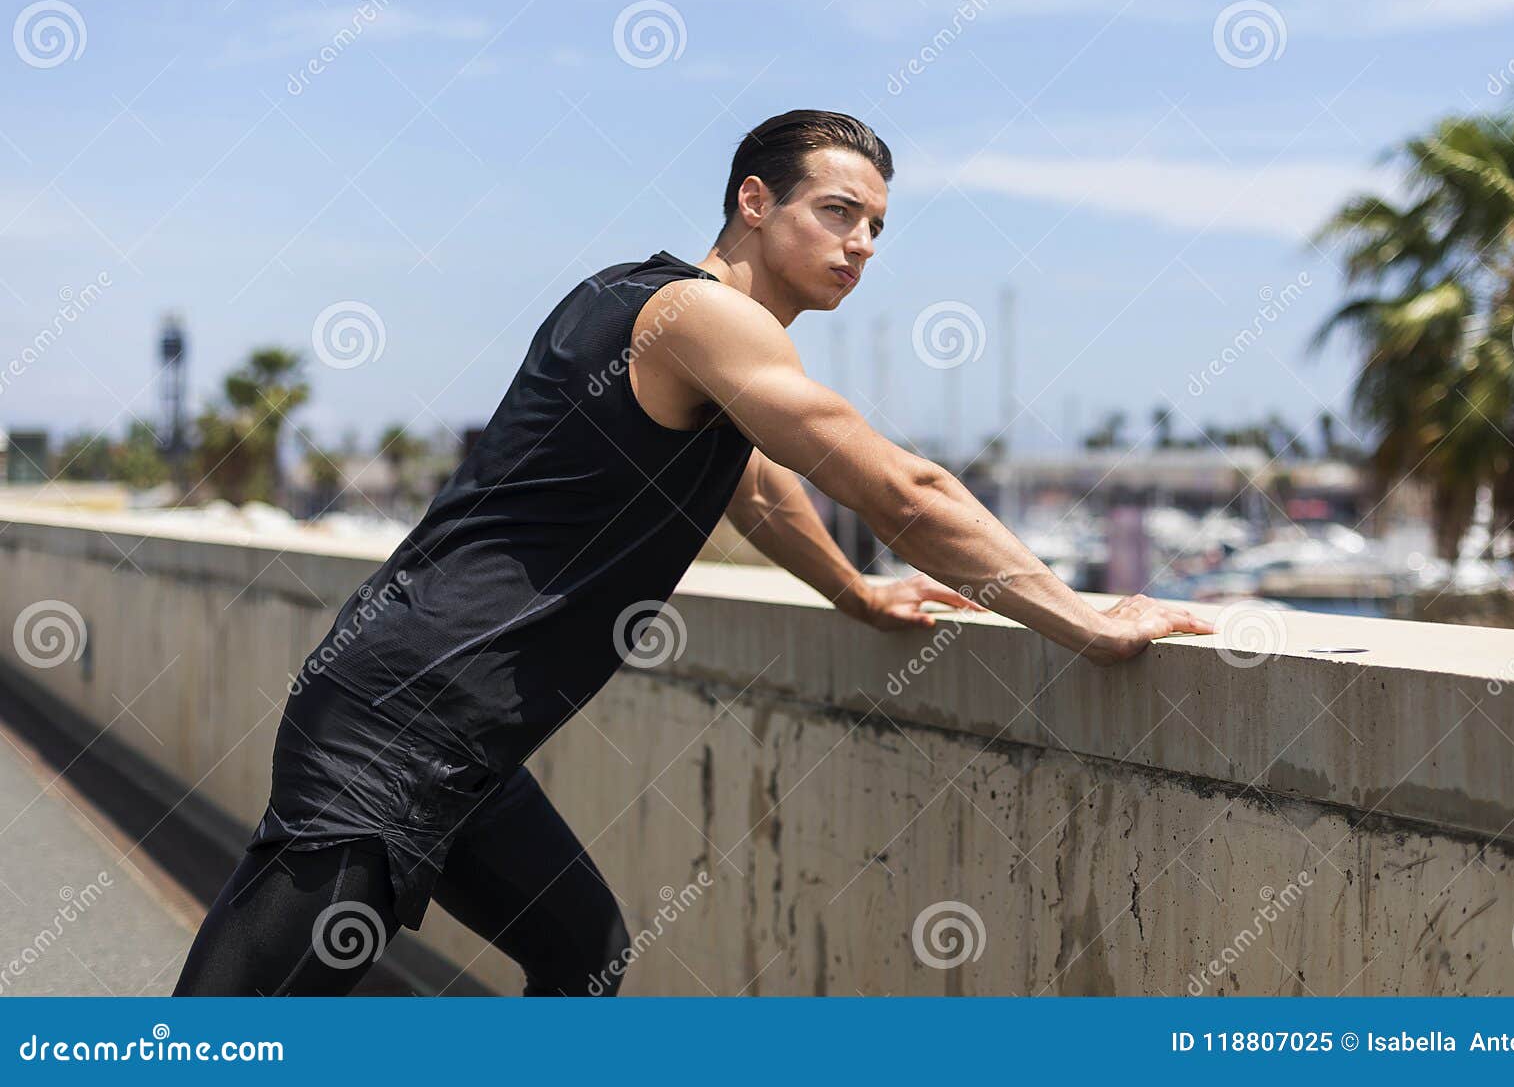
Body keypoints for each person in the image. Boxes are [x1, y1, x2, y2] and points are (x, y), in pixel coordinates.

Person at [171, 108, 1213, 997]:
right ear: (754, 201)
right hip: (399, 725)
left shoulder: (639, 302)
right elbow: (904, 489)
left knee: (583, 951)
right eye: (837, 212)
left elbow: (756, 490)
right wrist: (1082, 618)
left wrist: (852, 591)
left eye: (876, 226)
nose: (861, 244)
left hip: (454, 739)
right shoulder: (700, 318)